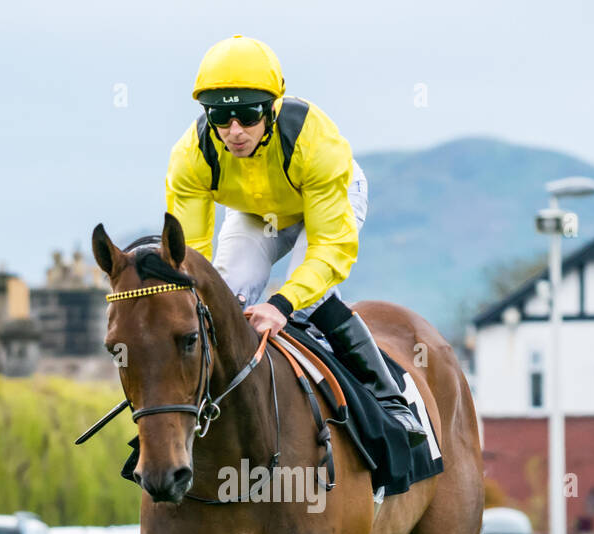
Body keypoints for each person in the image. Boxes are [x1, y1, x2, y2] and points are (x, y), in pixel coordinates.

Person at [165, 34, 425, 442]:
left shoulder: (315, 140)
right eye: (220, 117)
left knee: (312, 296)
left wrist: (281, 303)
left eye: (249, 115)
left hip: (323, 205)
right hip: (254, 213)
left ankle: (390, 400)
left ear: (272, 107)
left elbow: (329, 250)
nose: (234, 132)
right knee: (220, 297)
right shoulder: (191, 155)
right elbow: (189, 257)